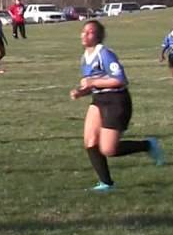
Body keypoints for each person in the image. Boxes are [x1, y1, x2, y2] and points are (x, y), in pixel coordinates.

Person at [70, 20, 165, 192]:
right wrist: (81, 92)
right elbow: (94, 86)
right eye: (83, 31)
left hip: (116, 101)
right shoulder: (85, 57)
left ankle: (148, 145)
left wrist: (92, 81)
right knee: (90, 141)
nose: (84, 35)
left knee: (108, 149)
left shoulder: (104, 54)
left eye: (90, 32)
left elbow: (120, 79)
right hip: (99, 100)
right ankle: (106, 183)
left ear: (98, 36)